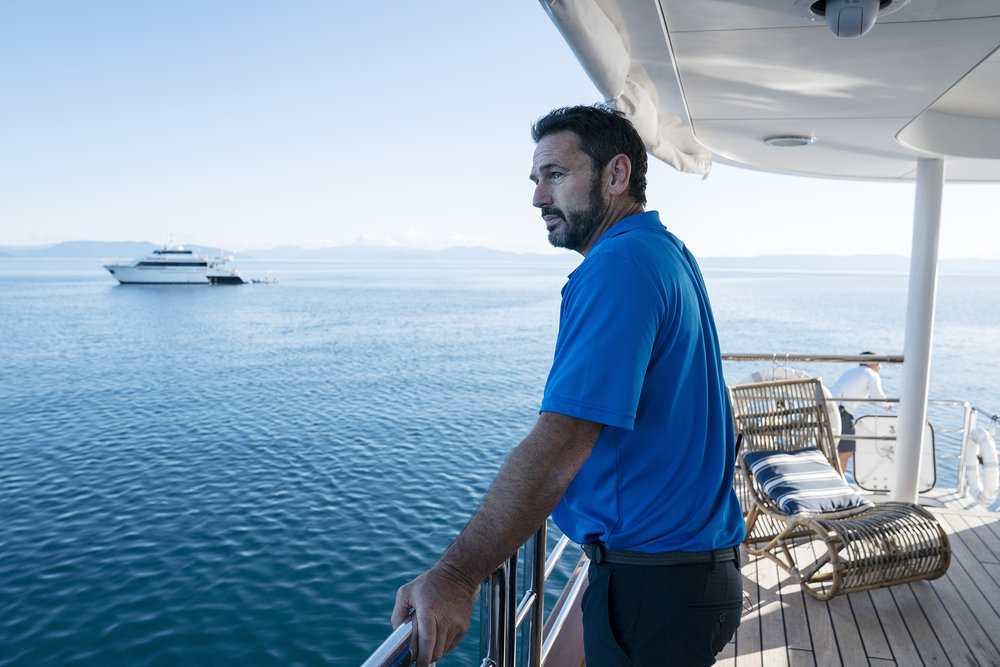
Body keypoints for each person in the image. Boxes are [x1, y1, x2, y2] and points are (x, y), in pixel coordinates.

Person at [390, 105, 746, 666]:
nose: (537, 198)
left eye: (555, 175)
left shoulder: (619, 266)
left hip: (653, 587)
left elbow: (559, 447)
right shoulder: (666, 252)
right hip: (695, 573)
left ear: (616, 175)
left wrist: (457, 576)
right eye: (536, 180)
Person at [831, 352, 891, 475]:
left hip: (830, 411)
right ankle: (839, 481)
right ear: (870, 362)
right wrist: (889, 404)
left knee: (834, 450)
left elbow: (850, 393)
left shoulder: (850, 373)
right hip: (843, 415)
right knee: (846, 451)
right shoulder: (871, 375)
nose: (880, 367)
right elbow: (878, 397)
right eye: (878, 363)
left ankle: (834, 479)